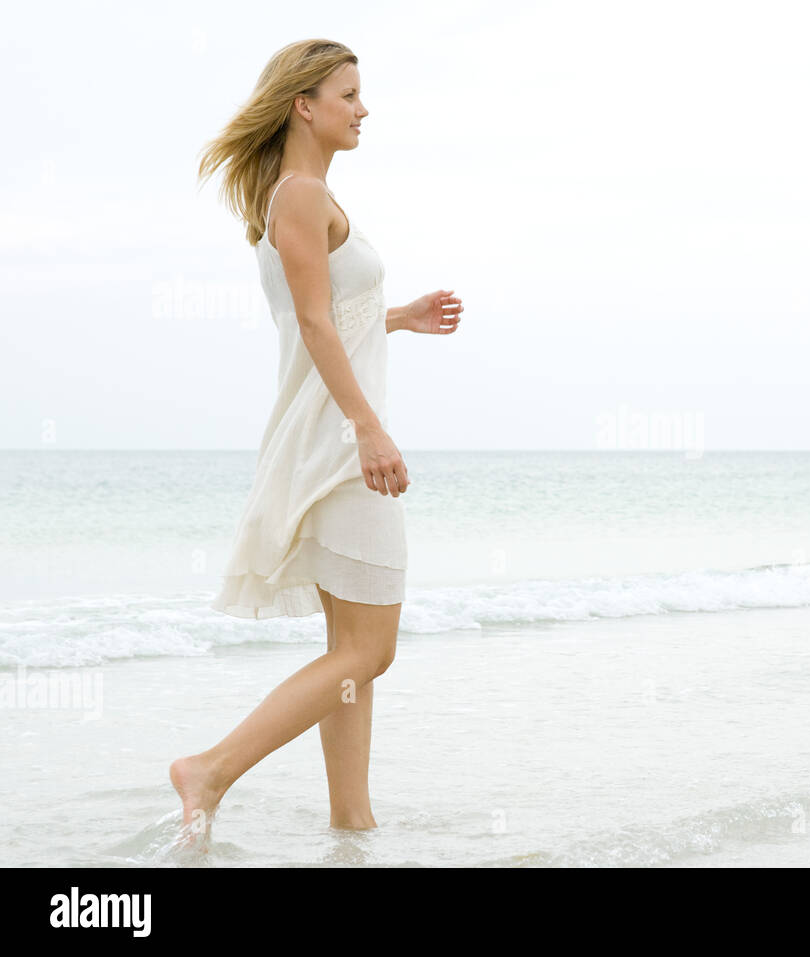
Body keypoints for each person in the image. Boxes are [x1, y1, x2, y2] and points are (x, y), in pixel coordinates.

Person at [175, 39, 464, 844]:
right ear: (305, 104)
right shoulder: (299, 194)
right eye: (349, 94)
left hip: (327, 440)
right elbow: (308, 321)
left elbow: (325, 315)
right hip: (340, 446)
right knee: (371, 650)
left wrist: (398, 315)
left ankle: (351, 822)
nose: (363, 108)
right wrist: (369, 427)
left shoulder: (302, 196)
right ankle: (212, 767)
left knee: (352, 650)